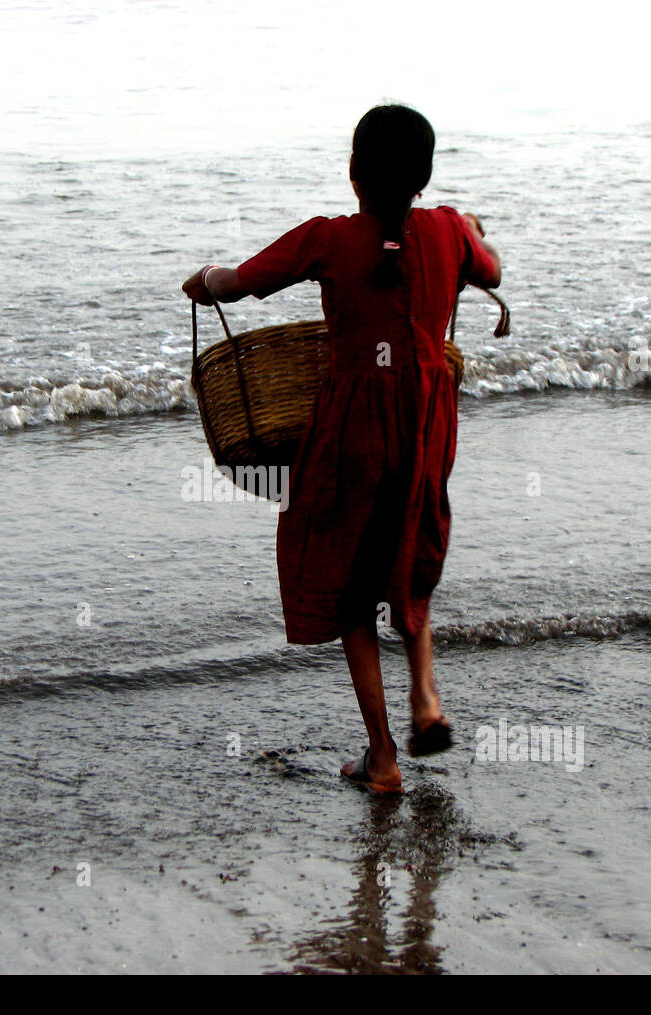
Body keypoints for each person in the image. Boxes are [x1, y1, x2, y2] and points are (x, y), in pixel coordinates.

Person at [182, 104, 502, 795]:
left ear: (354, 172)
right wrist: (470, 231)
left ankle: (382, 756)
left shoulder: (330, 239)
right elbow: (494, 273)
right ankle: (426, 700)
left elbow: (238, 281)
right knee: (410, 550)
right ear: (423, 177)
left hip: (356, 426)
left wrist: (203, 280)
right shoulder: (447, 228)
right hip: (428, 419)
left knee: (349, 578)